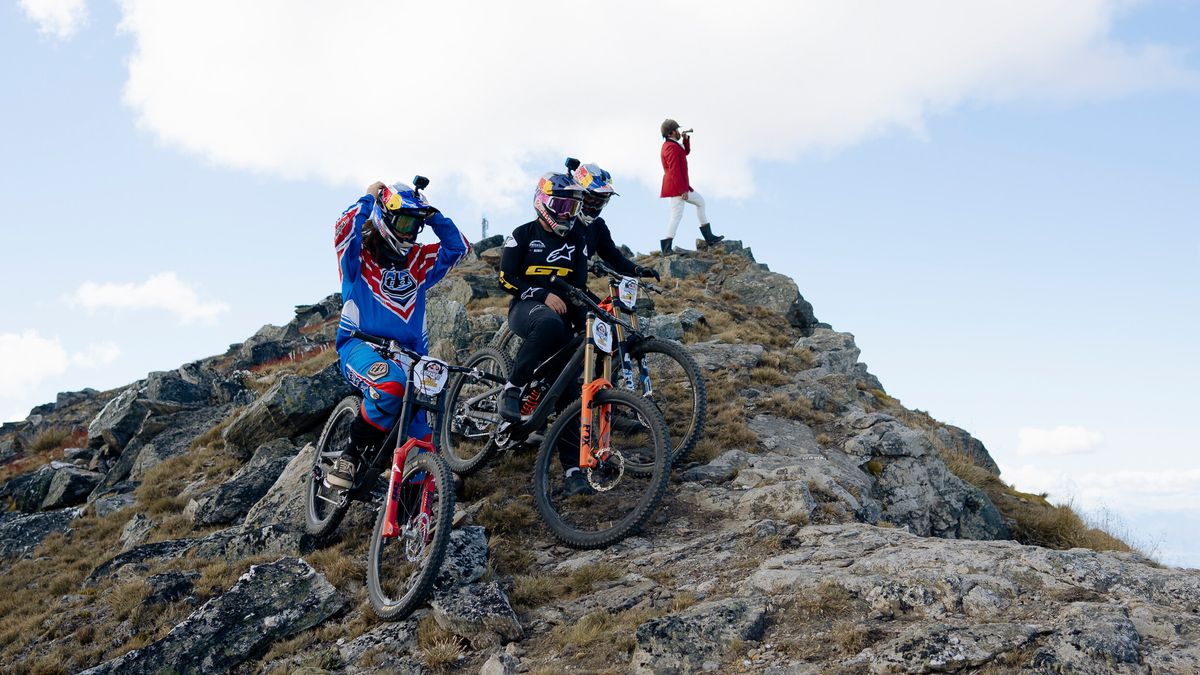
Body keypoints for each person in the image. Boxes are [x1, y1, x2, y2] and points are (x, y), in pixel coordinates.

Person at [497, 171, 657, 495]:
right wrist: (542, 294)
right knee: (549, 325)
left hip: (565, 306)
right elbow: (505, 278)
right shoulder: (522, 234)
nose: (566, 213)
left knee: (575, 382)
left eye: (571, 207)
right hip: (528, 307)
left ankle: (573, 471)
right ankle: (512, 389)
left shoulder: (576, 239)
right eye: (560, 205)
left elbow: (579, 284)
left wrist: (601, 308)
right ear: (542, 202)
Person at [326, 178, 470, 489]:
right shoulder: (357, 258)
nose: (409, 232)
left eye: (415, 225)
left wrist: (433, 216)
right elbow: (343, 230)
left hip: (412, 356)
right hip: (359, 345)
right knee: (390, 387)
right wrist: (368, 198)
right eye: (404, 221)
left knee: (420, 439)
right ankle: (349, 456)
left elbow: (459, 248)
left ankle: (417, 520)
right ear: (385, 217)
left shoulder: (419, 260)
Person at [660, 118, 723, 255]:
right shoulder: (671, 147)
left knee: (699, 203)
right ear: (671, 132)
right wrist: (683, 190)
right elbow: (674, 170)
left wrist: (685, 140)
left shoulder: (673, 145)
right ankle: (666, 248)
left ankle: (709, 237)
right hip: (677, 187)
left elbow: (685, 152)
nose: (678, 131)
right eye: (677, 130)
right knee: (676, 216)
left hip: (680, 186)